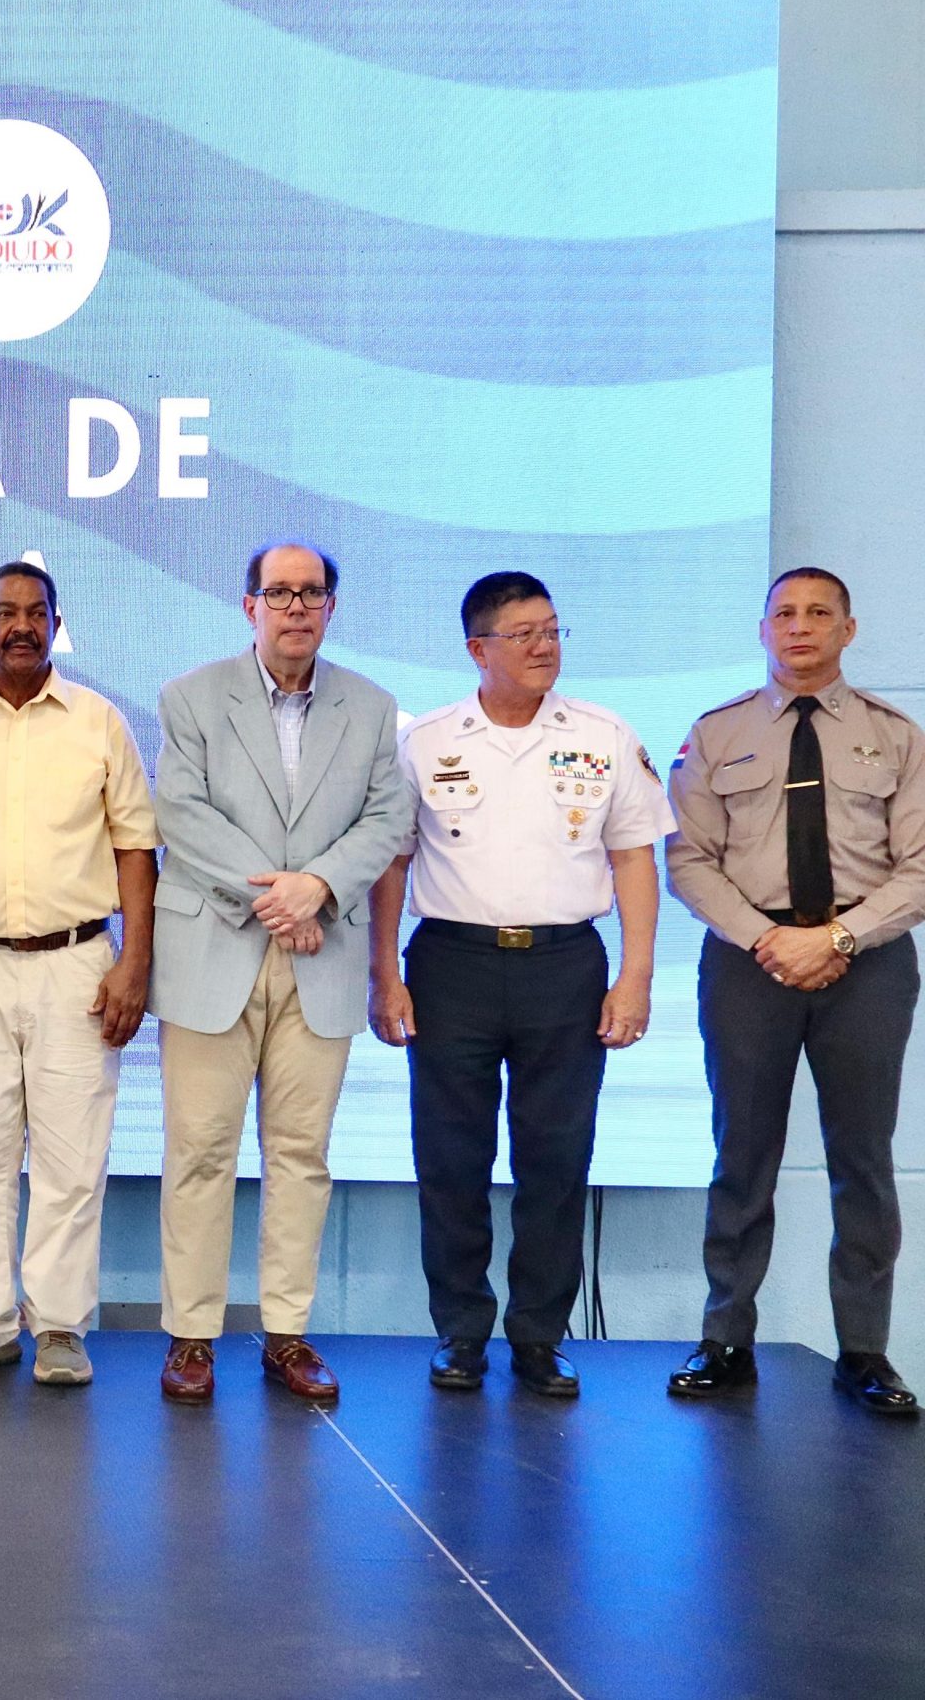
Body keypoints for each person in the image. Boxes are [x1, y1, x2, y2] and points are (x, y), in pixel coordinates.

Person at [366, 572, 671, 1398]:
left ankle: (540, 1336)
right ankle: (461, 1332)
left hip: (565, 967)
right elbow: (391, 863)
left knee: (557, 1159)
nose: (545, 647)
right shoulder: (426, 741)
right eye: (524, 634)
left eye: (553, 630)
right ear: (478, 649)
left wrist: (636, 976)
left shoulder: (604, 735)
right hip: (450, 965)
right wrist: (384, 973)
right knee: (450, 1160)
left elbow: (635, 859)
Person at [664, 567, 925, 1417]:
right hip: (751, 961)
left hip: (866, 959)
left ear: (850, 630)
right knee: (742, 1153)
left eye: (819, 614)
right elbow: (688, 860)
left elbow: (919, 869)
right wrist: (768, 938)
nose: (800, 627)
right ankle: (725, 1338)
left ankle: (865, 1352)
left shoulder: (898, 738)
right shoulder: (717, 733)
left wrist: (837, 937)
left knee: (863, 1160)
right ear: (763, 629)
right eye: (784, 613)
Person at [150, 543, 405, 1405]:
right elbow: (180, 815)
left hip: (321, 956)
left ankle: (287, 1334)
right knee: (199, 1152)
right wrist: (278, 895)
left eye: (312, 593)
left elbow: (387, 816)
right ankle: (191, 1336)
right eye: (280, 593)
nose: (296, 607)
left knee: (300, 1153)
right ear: (249, 604)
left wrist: (319, 888)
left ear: (332, 607)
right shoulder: (190, 697)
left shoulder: (371, 708)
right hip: (215, 950)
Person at [0, 561, 157, 1388]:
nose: (21, 625)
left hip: (81, 964)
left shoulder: (98, 722)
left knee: (70, 1153)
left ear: (58, 624)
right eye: (5, 612)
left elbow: (135, 846)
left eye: (37, 612)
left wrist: (136, 963)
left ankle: (58, 1325)